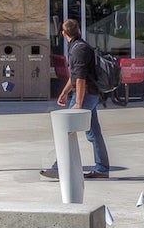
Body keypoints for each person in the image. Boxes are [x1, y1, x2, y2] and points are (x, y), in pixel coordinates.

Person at [39, 17, 112, 182]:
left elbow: (80, 79)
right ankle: (102, 169)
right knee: (94, 132)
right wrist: (64, 92)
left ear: (64, 33)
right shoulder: (80, 46)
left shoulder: (78, 50)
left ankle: (60, 168)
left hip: (85, 95)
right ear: (78, 30)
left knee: (66, 129)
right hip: (90, 94)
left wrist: (78, 102)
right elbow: (74, 76)